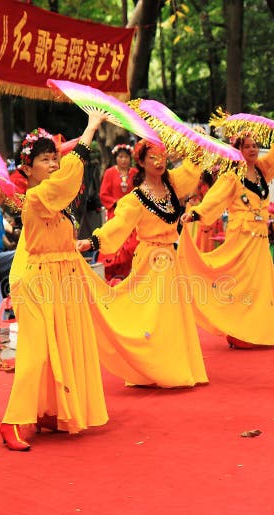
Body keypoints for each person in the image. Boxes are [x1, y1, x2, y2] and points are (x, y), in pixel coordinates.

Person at [0, 112, 108, 451]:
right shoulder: (38, 197)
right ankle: (12, 420)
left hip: (62, 278)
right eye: (45, 159)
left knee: (60, 346)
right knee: (34, 351)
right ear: (27, 168)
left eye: (54, 157)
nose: (53, 164)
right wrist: (90, 128)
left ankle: (48, 410)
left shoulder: (57, 201)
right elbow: (70, 177)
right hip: (37, 282)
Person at [77, 139, 208, 388]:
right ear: (141, 162)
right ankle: (149, 368)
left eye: (162, 156)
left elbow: (192, 171)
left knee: (171, 316)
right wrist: (93, 241)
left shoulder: (172, 183)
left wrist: (196, 143)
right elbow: (119, 224)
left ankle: (172, 367)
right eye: (152, 157)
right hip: (149, 261)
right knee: (150, 316)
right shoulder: (136, 198)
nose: (159, 162)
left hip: (170, 259)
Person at [178, 135, 274, 349]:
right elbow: (215, 199)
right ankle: (240, 331)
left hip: (260, 239)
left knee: (259, 285)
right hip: (242, 237)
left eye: (255, 146)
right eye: (247, 146)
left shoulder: (261, 171)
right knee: (242, 283)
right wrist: (194, 213)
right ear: (238, 150)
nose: (252, 149)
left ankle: (257, 330)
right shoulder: (232, 177)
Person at [97, 142, 138, 283]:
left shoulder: (135, 173)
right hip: (115, 214)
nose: (123, 160)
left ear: (130, 158)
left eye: (126, 157)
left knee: (131, 243)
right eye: (120, 157)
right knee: (115, 241)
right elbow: (103, 194)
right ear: (116, 158)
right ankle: (112, 275)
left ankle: (129, 272)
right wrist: (115, 202)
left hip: (131, 214)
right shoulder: (110, 173)